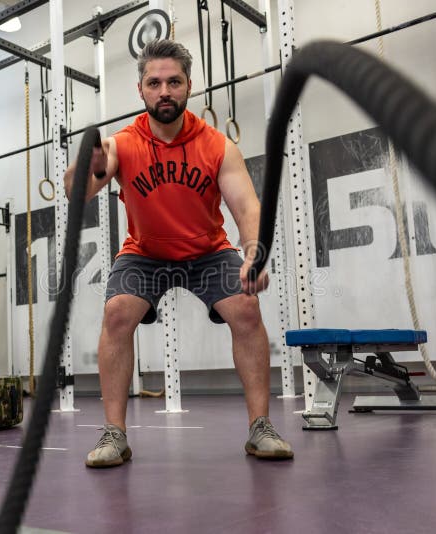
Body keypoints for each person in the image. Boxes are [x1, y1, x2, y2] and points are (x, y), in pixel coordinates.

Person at [64, 39, 293, 467]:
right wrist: (89, 162)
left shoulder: (217, 145)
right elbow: (81, 190)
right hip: (145, 253)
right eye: (155, 82)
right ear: (141, 90)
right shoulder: (123, 143)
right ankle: (115, 434)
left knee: (246, 308)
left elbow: (246, 206)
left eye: (174, 81)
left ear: (189, 86)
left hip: (206, 252)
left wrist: (253, 254)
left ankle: (260, 427)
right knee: (116, 312)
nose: (164, 90)